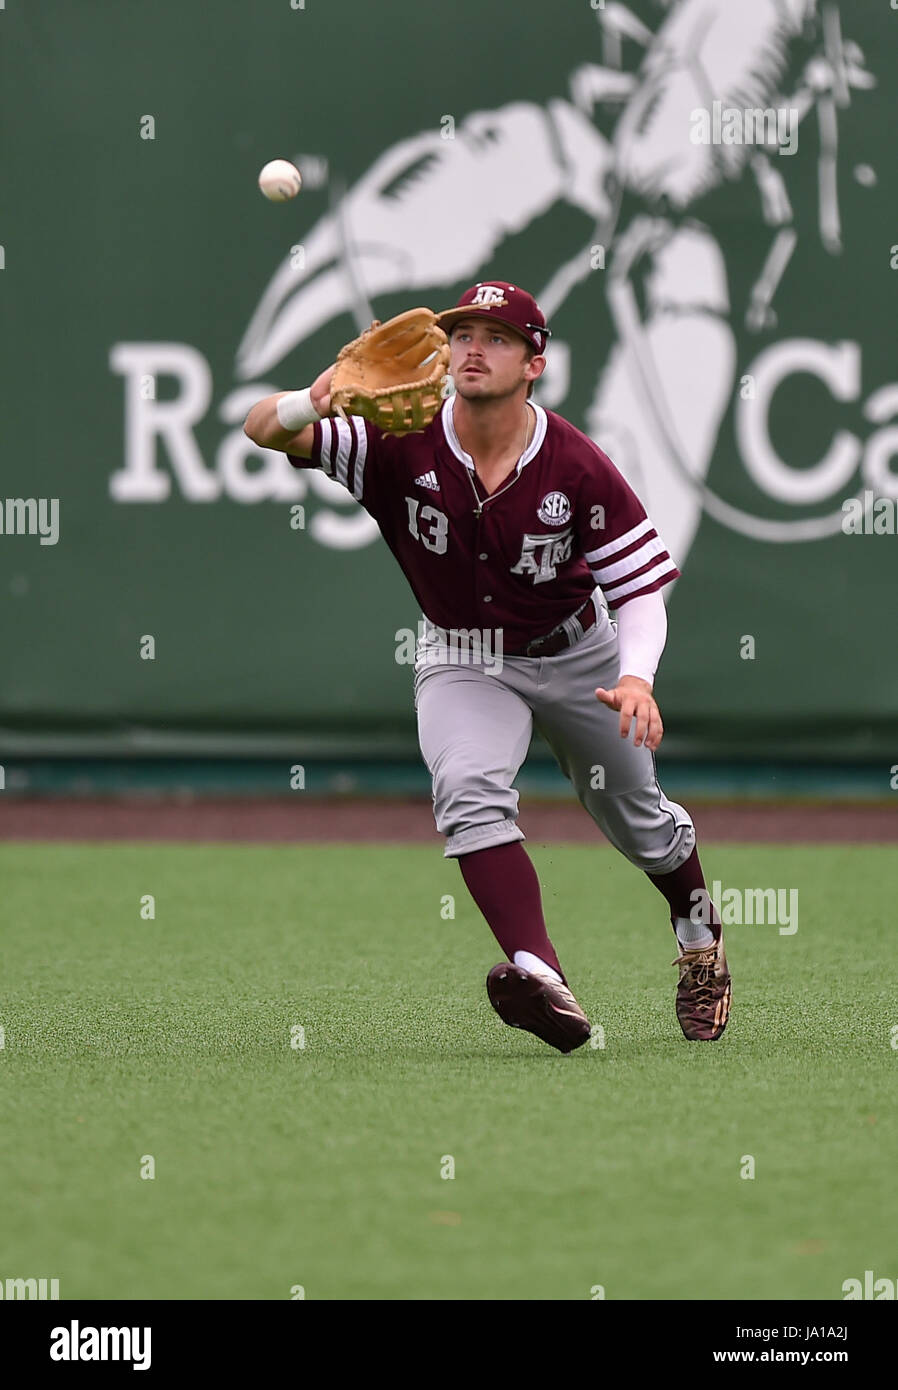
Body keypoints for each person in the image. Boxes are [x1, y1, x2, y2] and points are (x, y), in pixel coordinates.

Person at [243, 281, 731, 1054]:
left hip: (577, 654)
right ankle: (542, 976)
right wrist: (314, 396)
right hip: (461, 654)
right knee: (468, 791)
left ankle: (699, 941)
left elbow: (639, 589)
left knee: (642, 826)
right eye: (462, 334)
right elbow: (261, 428)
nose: (473, 348)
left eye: (497, 338)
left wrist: (636, 675)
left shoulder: (574, 463)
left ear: (535, 363)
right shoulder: (397, 438)